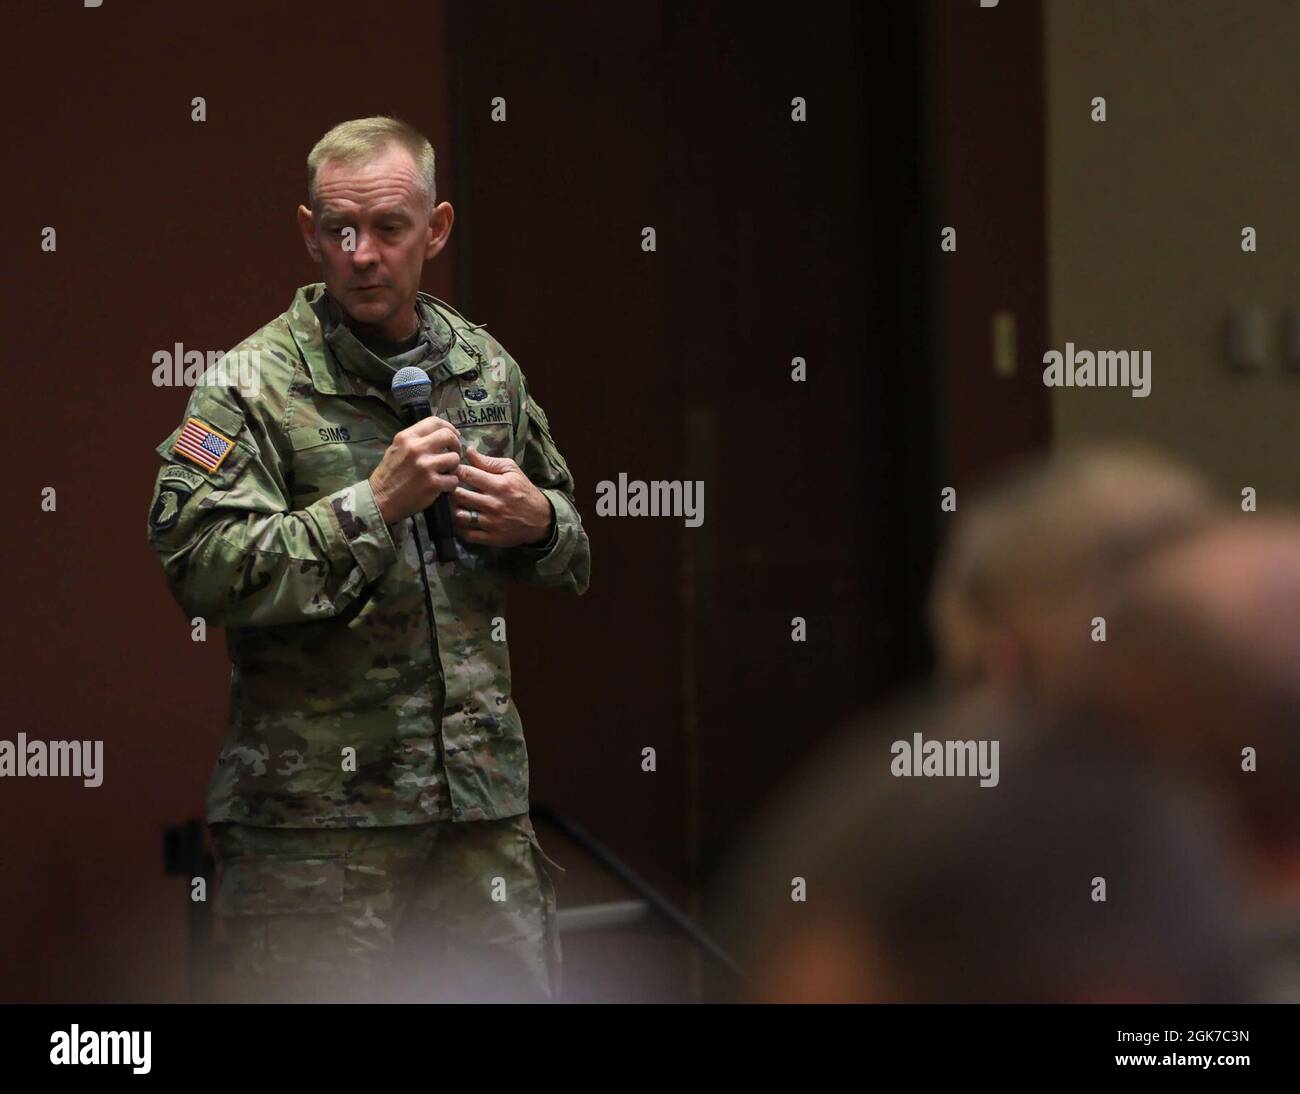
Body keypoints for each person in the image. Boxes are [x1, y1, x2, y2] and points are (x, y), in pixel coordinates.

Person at [145, 116, 590, 1002]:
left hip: (479, 816)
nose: (362, 254)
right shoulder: (249, 386)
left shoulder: (485, 370)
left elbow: (569, 545)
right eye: (338, 230)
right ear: (307, 232)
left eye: (389, 228)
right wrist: (369, 507)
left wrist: (540, 523)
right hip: (318, 836)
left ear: (437, 228)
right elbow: (197, 563)